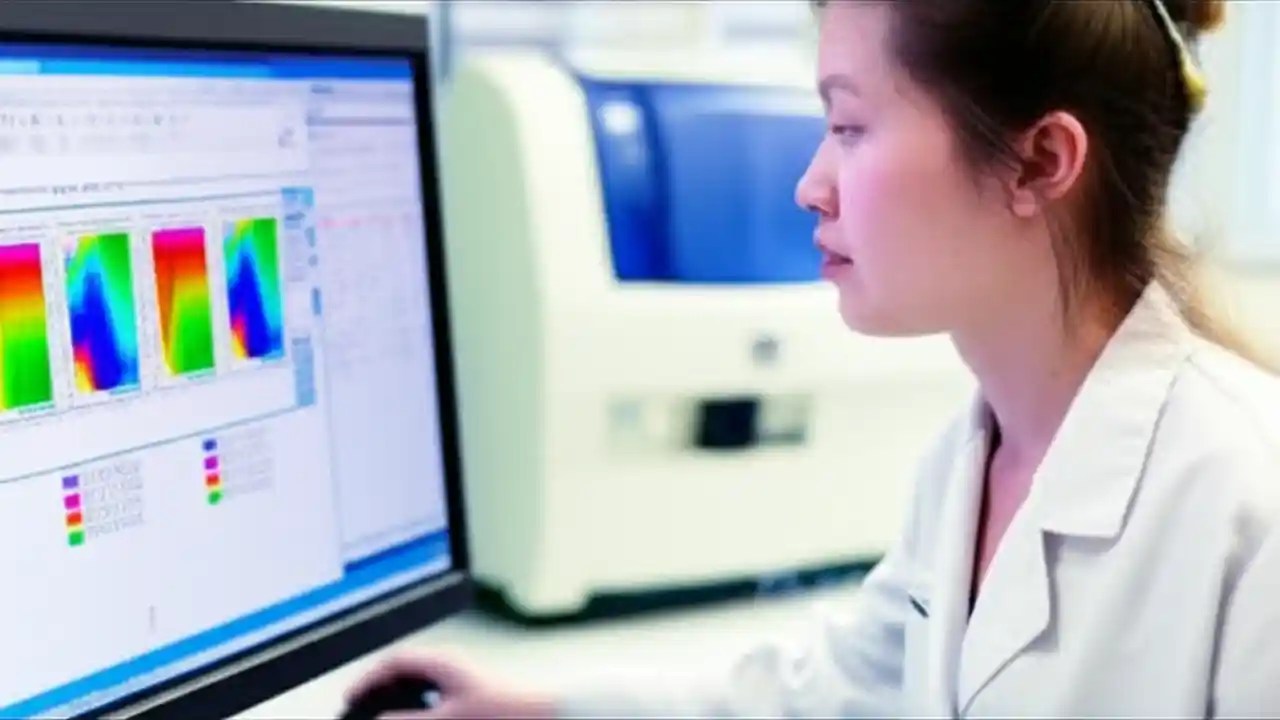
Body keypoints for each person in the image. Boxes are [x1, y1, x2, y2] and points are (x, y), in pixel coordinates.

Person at [347, 0, 1280, 716]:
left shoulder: (1248, 510)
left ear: (1039, 161)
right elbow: (826, 694)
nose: (809, 185)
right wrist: (544, 708)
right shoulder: (976, 465)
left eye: (850, 128)